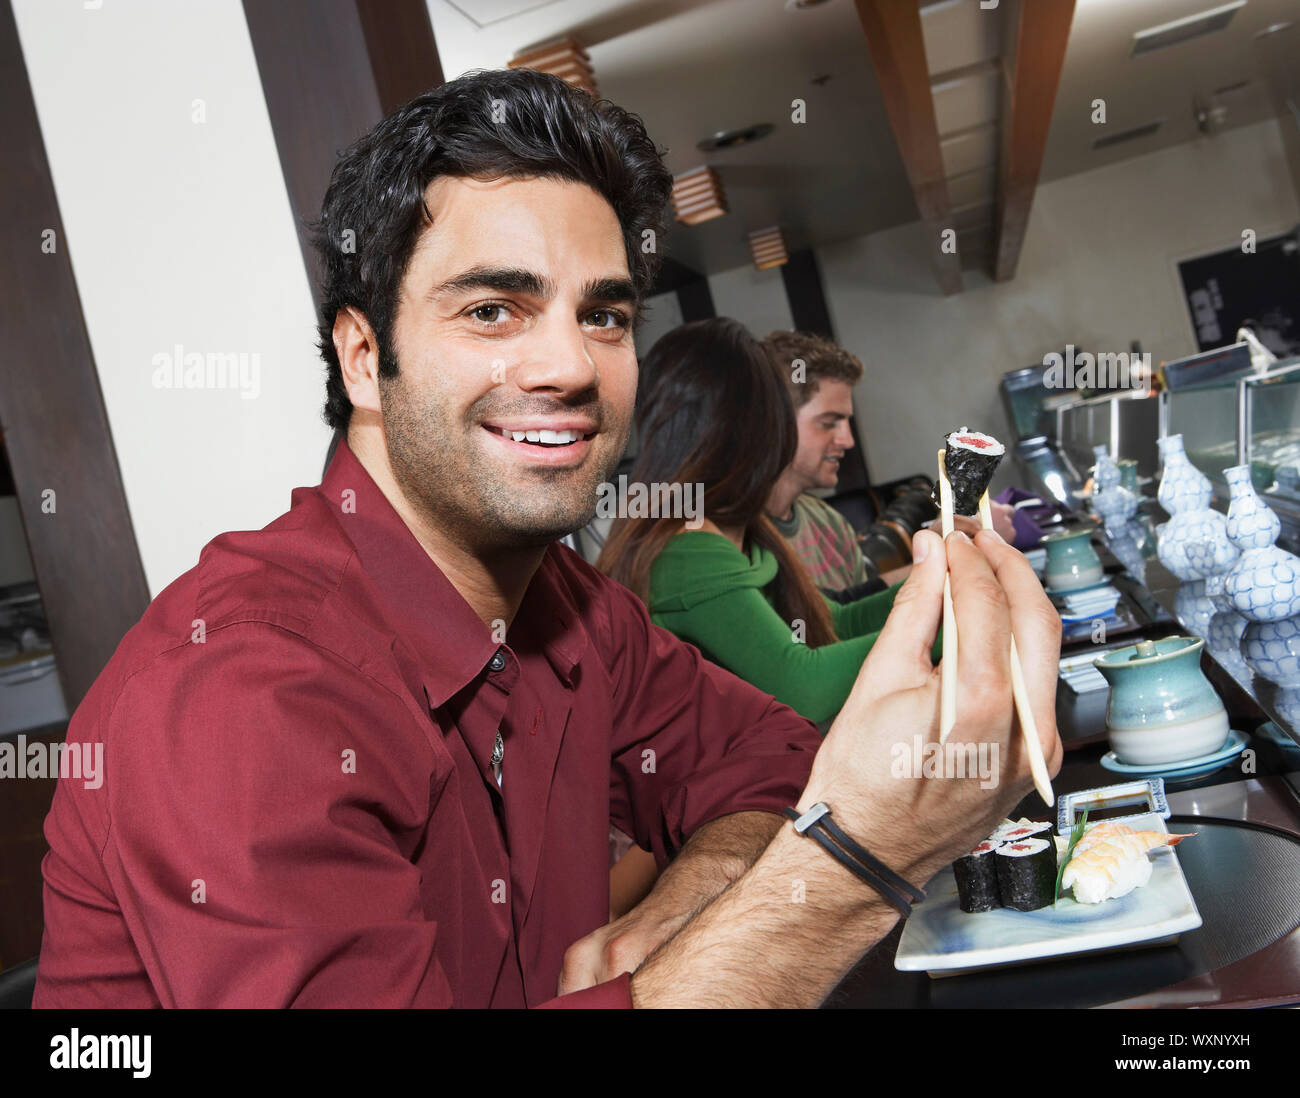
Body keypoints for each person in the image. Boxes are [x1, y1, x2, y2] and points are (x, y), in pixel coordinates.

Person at [34, 68, 1062, 1009]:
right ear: (361, 358)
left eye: (606, 318)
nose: (571, 365)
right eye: (493, 309)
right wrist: (852, 869)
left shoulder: (571, 614)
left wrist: (689, 895)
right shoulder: (243, 690)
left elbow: (769, 761)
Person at [598, 317, 917, 725]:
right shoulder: (686, 544)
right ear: (748, 428)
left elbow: (835, 621)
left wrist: (937, 588)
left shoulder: (740, 528)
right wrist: (946, 626)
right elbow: (807, 687)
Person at [761, 329, 1017, 593]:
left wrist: (948, 542)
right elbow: (832, 620)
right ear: (776, 422)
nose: (847, 441)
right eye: (828, 423)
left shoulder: (826, 521)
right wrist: (942, 555)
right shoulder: (739, 538)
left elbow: (859, 618)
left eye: (847, 423)